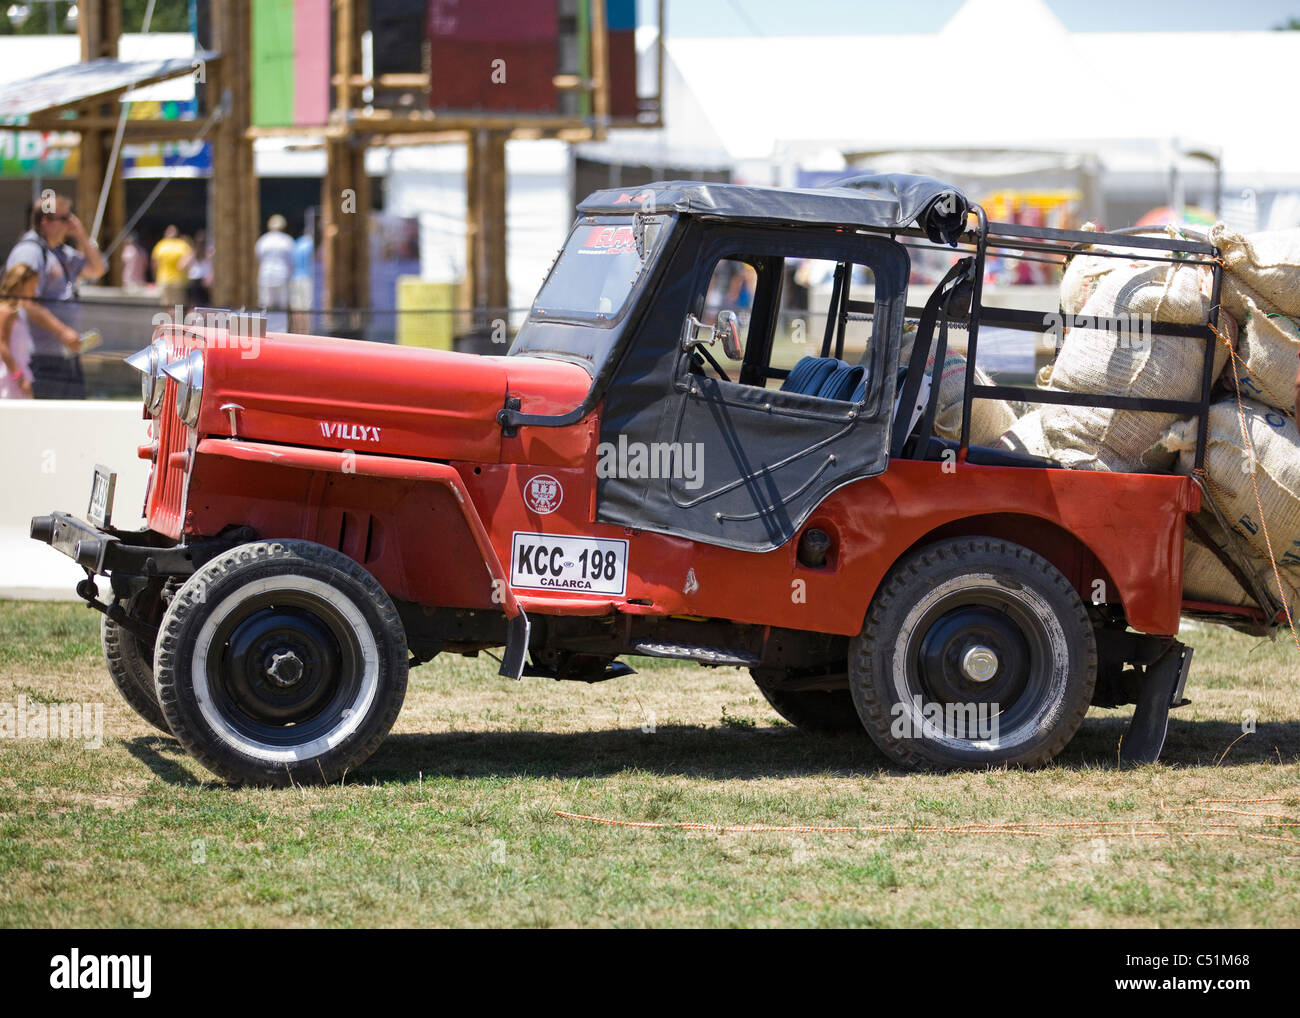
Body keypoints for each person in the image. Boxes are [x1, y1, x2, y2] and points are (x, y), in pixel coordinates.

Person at [4, 193, 105, 399]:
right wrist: (62, 332)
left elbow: (97, 269)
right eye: (65, 219)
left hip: (65, 355)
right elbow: (26, 301)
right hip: (41, 357)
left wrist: (82, 235)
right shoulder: (30, 252)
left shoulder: (60, 252)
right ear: (45, 221)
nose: (70, 223)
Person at [0, 263, 38, 399]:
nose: (35, 292)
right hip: (8, 378)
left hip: (16, 376)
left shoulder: (18, 312)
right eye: (32, 287)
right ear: (20, 285)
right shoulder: (5, 311)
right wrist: (18, 376)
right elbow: (2, 344)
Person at [255, 214, 295, 313]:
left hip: (266, 276)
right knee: (283, 307)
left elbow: (258, 258)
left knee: (266, 306)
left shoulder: (263, 240)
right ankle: (281, 328)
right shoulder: (287, 240)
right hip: (282, 276)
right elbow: (292, 261)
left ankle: (267, 328)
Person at [151, 224, 192, 309]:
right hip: (169, 280)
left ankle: (171, 321)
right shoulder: (163, 245)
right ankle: (172, 321)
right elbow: (155, 263)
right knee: (173, 306)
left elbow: (155, 263)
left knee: (172, 306)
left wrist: (155, 277)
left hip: (173, 281)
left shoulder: (163, 245)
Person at [289, 227, 314, 333]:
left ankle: (296, 330)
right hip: (307, 278)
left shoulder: (297, 243)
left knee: (296, 307)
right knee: (307, 307)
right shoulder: (311, 244)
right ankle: (306, 331)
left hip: (295, 277)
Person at [185, 228, 213, 307]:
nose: (201, 245)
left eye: (202, 243)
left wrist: (210, 277)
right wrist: (194, 253)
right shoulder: (192, 254)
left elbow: (213, 268)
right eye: (199, 243)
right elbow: (182, 265)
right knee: (193, 306)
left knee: (206, 306)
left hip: (204, 283)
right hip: (194, 282)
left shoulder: (209, 255)